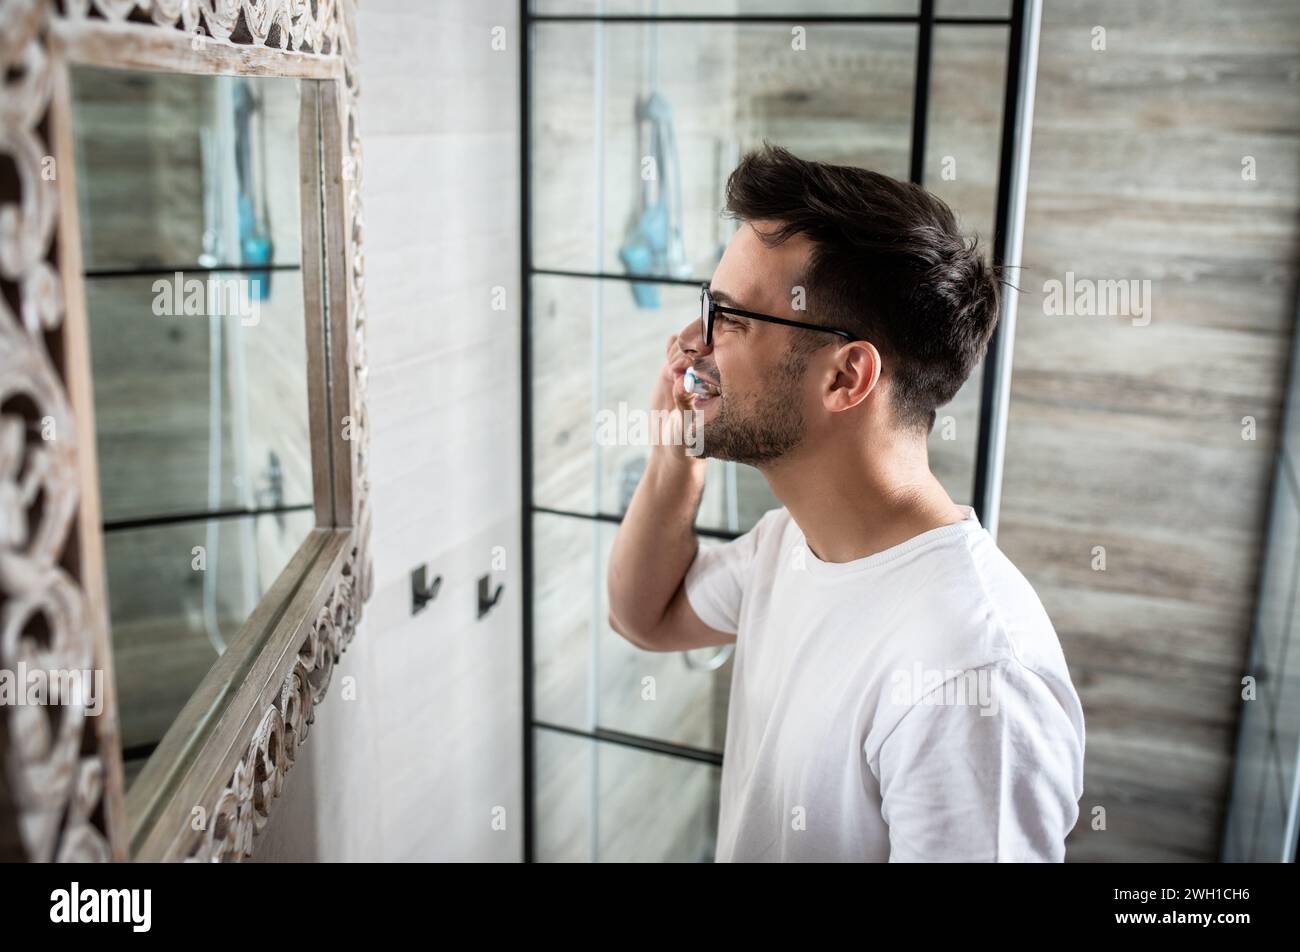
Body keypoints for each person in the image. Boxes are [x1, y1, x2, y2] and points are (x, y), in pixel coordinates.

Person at [606, 144, 1085, 862]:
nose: (691, 347)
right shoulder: (791, 543)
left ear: (846, 377)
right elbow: (644, 617)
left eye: (730, 317)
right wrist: (674, 454)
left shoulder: (974, 678)